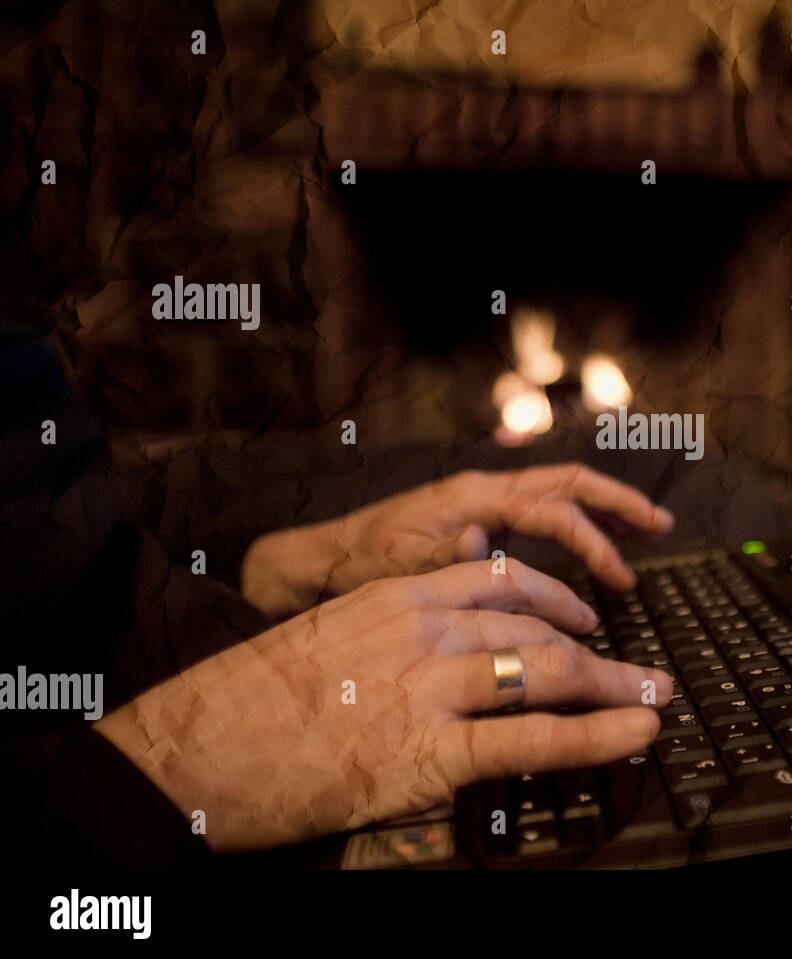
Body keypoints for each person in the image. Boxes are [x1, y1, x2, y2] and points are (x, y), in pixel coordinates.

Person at [1, 321, 674, 863]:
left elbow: (67, 512)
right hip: (100, 806)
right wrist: (159, 771)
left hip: (139, 613)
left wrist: (264, 565)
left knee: (666, 490)